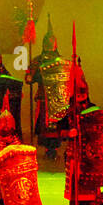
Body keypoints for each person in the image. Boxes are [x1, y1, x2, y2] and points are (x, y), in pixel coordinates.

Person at [26, 17, 74, 157]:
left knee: (56, 124)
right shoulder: (37, 60)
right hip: (43, 96)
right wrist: (31, 76)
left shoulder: (61, 61)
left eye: (52, 41)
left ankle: (54, 147)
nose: (50, 44)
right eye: (48, 41)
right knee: (44, 124)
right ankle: (48, 148)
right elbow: (30, 78)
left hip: (57, 97)